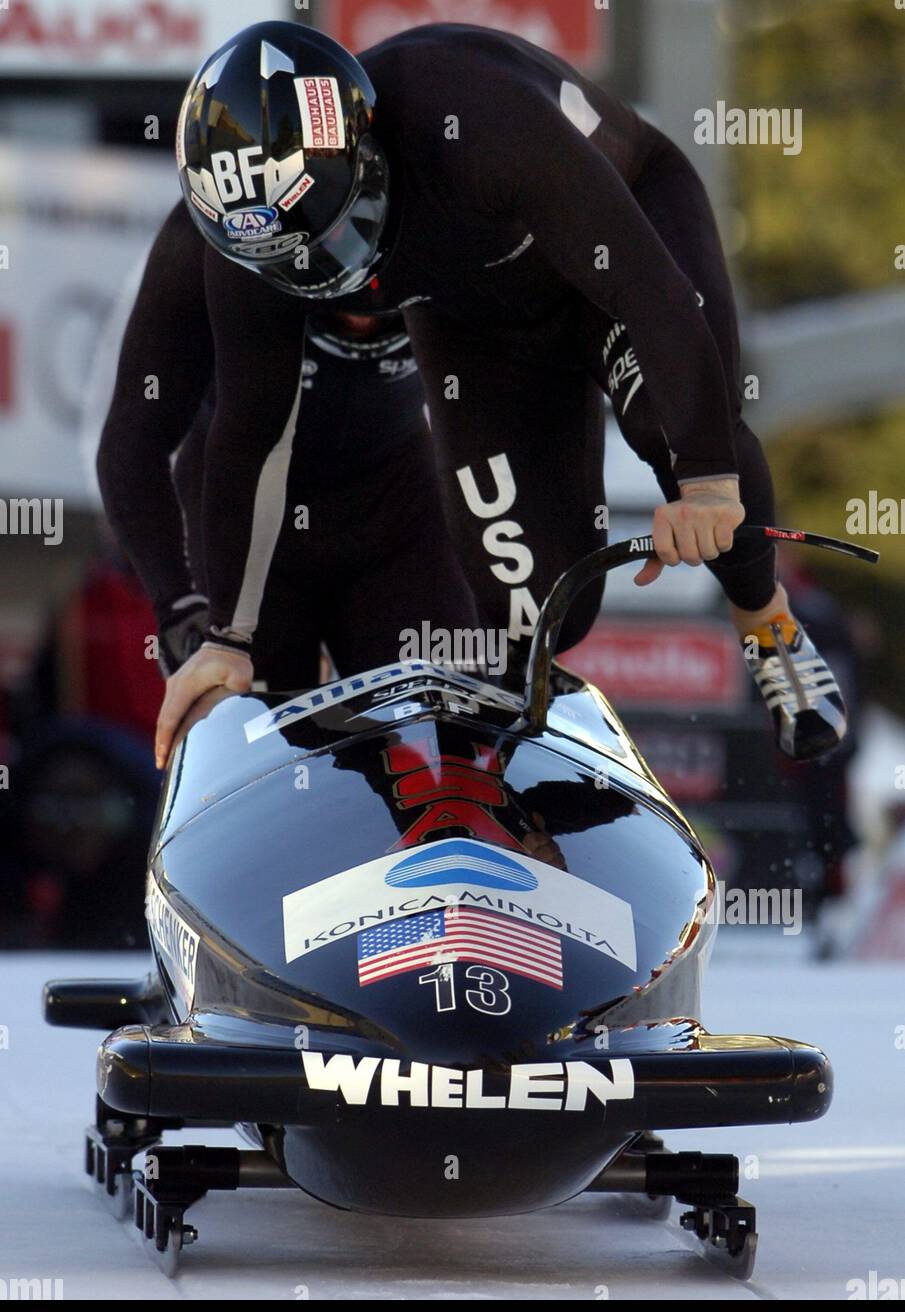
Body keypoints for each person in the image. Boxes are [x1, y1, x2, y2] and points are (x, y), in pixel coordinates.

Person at [158, 18, 847, 766]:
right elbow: (251, 429)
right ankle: (531, 747)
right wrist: (230, 637)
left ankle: (766, 620)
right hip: (480, 317)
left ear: (366, 145)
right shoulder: (247, 244)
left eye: (333, 232)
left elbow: (651, 292)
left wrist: (706, 484)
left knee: (668, 424)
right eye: (290, 257)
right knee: (536, 600)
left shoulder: (474, 116)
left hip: (624, 248)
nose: (325, 271)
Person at [96, 199, 478, 767]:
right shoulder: (212, 233)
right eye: (339, 297)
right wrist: (180, 609)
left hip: (396, 506)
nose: (363, 322)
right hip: (239, 517)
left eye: (383, 300)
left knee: (448, 749)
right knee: (251, 764)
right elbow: (131, 447)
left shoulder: (458, 231)